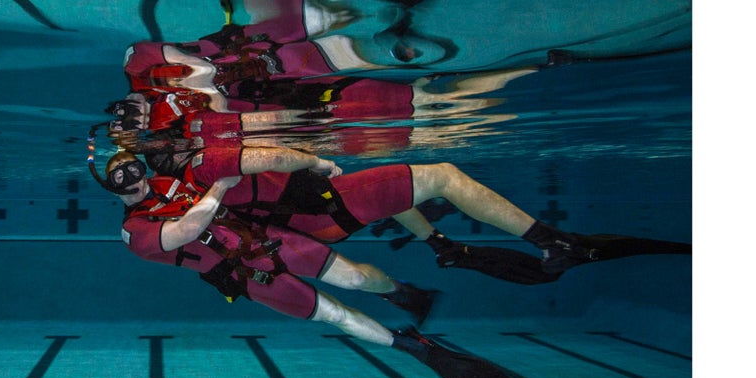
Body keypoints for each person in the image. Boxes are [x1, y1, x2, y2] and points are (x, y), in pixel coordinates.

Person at [98, 150, 519, 378]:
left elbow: (245, 162)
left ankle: (400, 292)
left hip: (271, 242)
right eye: (119, 179)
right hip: (249, 277)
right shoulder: (134, 232)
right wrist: (218, 188)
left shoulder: (171, 180)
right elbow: (187, 230)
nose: (131, 180)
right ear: (109, 188)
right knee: (334, 312)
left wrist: (305, 165)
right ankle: (411, 346)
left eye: (133, 169)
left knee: (356, 276)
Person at [129, 141, 690, 283]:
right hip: (324, 205)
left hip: (317, 223)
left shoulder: (177, 186)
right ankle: (553, 240)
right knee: (441, 175)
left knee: (399, 191)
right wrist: (318, 160)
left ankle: (441, 248)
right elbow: (269, 154)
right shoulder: (203, 159)